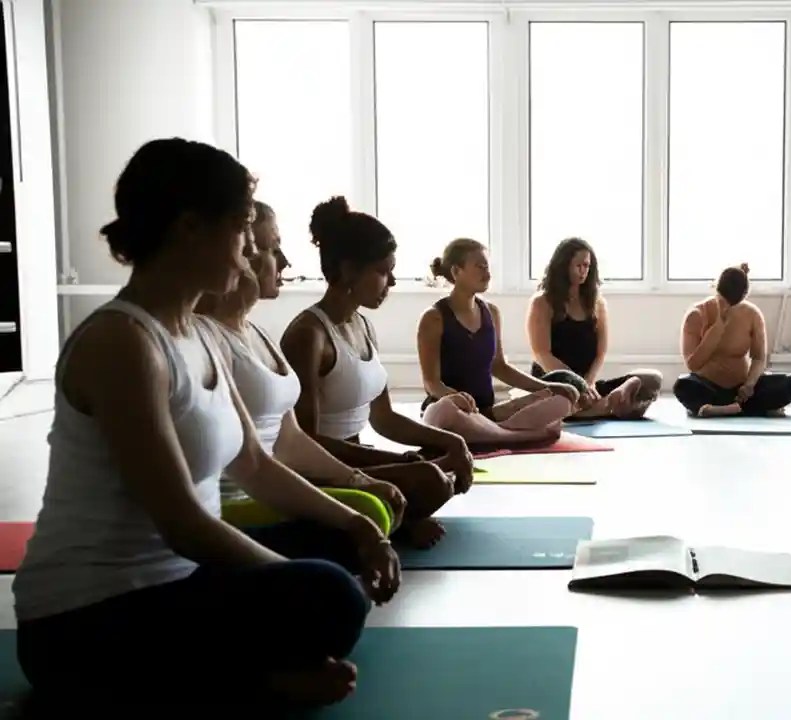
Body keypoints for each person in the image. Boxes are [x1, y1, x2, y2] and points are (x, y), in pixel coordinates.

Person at [13, 139, 397, 711]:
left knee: (339, 545)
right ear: (190, 229)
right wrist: (293, 577)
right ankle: (242, 682)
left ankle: (235, 668)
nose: (249, 253)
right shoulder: (122, 342)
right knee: (332, 594)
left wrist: (358, 523)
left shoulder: (198, 334)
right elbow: (182, 523)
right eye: (242, 231)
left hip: (180, 581)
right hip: (85, 619)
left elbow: (257, 465)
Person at [197, 200, 407, 536]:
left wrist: (359, 480)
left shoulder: (259, 334)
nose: (284, 261)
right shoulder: (206, 338)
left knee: (380, 507)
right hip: (239, 506)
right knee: (374, 513)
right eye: (270, 248)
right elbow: (254, 463)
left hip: (272, 484)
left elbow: (290, 440)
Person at [281, 196, 470, 550]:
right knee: (430, 478)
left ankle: (396, 515)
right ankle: (396, 520)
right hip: (325, 473)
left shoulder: (363, 325)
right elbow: (306, 440)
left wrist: (450, 442)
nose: (392, 281)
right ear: (349, 270)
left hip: (361, 460)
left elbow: (384, 419)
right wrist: (401, 462)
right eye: (383, 271)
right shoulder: (309, 335)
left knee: (439, 459)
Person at [417, 238, 580, 446]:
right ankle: (512, 436)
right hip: (452, 414)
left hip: (488, 413)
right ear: (456, 271)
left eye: (488, 267)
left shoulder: (491, 313)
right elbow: (431, 383)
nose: (487, 274)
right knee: (446, 411)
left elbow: (500, 367)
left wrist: (548, 386)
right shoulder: (433, 318)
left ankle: (495, 432)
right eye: (480, 267)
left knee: (561, 400)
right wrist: (456, 398)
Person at [526, 237, 662, 419]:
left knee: (652, 378)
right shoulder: (542, 302)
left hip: (588, 386)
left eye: (587, 266)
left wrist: (589, 383)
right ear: (563, 266)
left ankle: (594, 408)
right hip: (556, 384)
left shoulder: (597, 304)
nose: (583, 271)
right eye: (578, 266)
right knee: (559, 399)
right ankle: (601, 408)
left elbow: (600, 353)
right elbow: (542, 354)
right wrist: (577, 385)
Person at [674, 264, 791, 417]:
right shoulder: (697, 314)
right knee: (683, 385)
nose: (728, 307)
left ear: (744, 296)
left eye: (733, 303)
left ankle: (734, 406)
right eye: (723, 301)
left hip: (743, 391)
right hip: (709, 388)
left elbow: (758, 358)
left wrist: (749, 385)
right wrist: (717, 328)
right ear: (717, 290)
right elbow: (693, 364)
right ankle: (732, 408)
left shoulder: (752, 314)